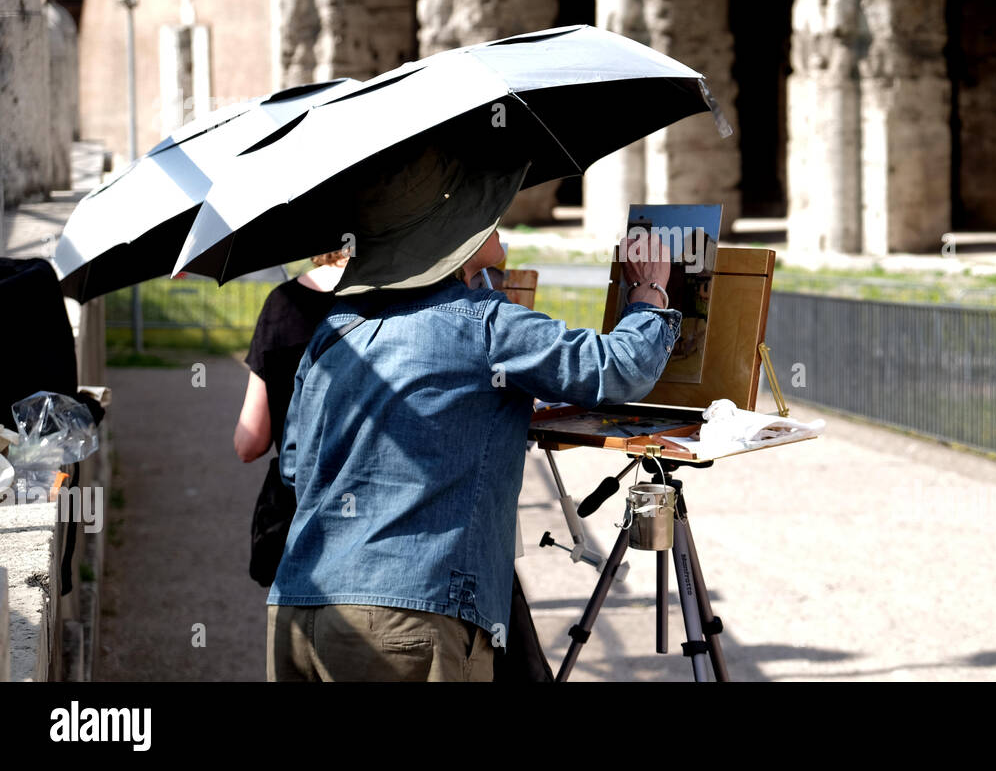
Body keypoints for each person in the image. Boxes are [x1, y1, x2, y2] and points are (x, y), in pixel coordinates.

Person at [267, 204, 680, 682]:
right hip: (410, 615)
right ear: (451, 234)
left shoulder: (335, 326)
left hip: (299, 604)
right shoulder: (483, 324)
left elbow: (294, 465)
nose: (497, 219)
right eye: (485, 210)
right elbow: (619, 368)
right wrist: (649, 292)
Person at [235, 250, 350, 464]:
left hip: (299, 487)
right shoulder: (404, 301)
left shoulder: (284, 303)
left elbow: (249, 444)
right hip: (385, 490)